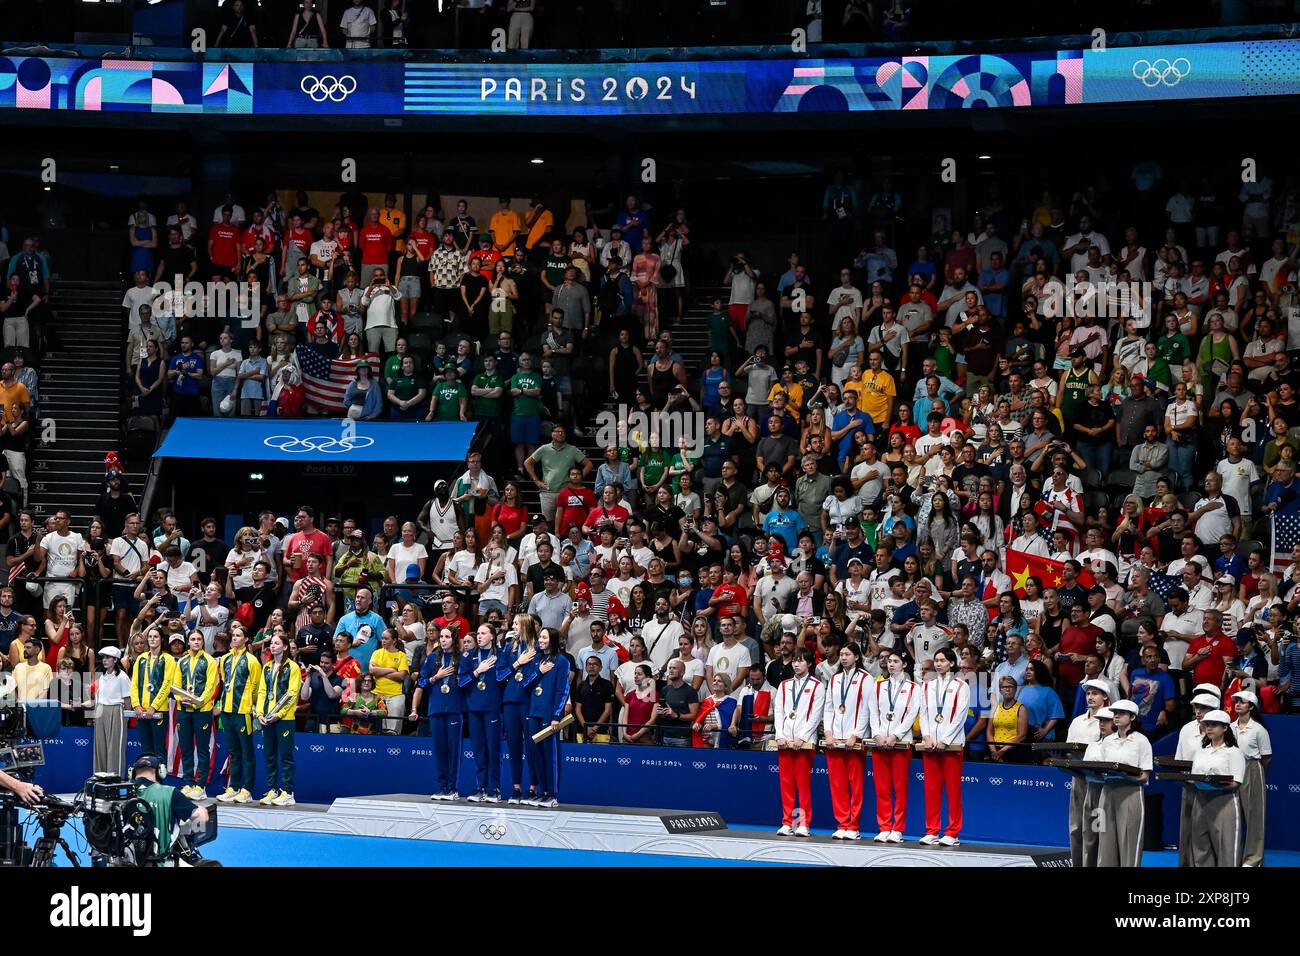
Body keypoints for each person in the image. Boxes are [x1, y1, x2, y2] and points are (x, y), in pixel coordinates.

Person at [918, 646, 969, 846]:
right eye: (936, 660)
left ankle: (952, 832)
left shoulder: (961, 685)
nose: (938, 664)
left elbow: (961, 715)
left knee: (953, 790)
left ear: (952, 663)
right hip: (931, 745)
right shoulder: (927, 686)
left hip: (952, 745)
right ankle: (932, 830)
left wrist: (945, 739)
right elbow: (923, 713)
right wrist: (927, 736)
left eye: (942, 660)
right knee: (931, 790)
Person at [867, 649, 920, 842]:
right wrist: (878, 734)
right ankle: (884, 827)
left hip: (900, 743)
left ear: (904, 665)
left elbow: (912, 714)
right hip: (880, 742)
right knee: (882, 787)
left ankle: (897, 828)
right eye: (889, 661)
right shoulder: (878, 686)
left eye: (895, 661)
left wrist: (895, 735)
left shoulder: (914, 688)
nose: (890, 664)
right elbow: (873, 712)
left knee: (899, 787)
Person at [772, 648, 823, 837]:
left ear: (809, 663)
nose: (796, 664)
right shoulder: (784, 685)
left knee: (802, 784)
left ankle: (803, 823)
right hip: (785, 740)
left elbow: (816, 715)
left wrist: (802, 736)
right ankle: (787, 823)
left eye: (801, 661)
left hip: (805, 742)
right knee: (786, 784)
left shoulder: (817, 686)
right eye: (794, 660)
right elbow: (779, 711)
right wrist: (779, 734)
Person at [1095, 699, 1152, 868]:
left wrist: (1126, 776)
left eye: (1121, 713)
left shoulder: (1141, 741)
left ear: (1132, 717)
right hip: (1107, 792)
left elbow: (1144, 776)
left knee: (1129, 841)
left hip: (1131, 792)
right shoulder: (1107, 741)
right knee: (1105, 841)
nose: (1116, 716)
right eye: (1115, 713)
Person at [822, 642, 871, 840]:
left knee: (856, 784)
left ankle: (854, 826)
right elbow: (828, 707)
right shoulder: (835, 679)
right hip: (835, 739)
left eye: (847, 654)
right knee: (837, 784)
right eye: (841, 654)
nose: (843, 657)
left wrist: (857, 734)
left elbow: (867, 708)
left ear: (857, 657)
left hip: (854, 740)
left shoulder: (866, 679)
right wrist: (828, 732)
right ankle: (842, 823)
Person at [1187, 709, 1247, 867]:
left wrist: (1216, 783)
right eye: (1207, 725)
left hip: (1224, 802)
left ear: (1225, 728)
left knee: (1227, 848)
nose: (1209, 728)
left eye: (1214, 725)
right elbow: (1195, 777)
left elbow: (1236, 782)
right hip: (1201, 801)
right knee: (1200, 846)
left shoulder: (1234, 752)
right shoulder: (1201, 751)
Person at [126, 755, 210, 867]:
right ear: (160, 771)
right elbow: (201, 818)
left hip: (124, 862)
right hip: (160, 862)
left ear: (132, 772)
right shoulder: (169, 792)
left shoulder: (118, 793)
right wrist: (202, 809)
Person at [1065, 678, 1111, 866]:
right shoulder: (1077, 722)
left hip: (1098, 782)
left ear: (1105, 697)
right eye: (1088, 693)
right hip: (1078, 779)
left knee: (1096, 828)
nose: (1090, 697)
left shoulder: (1109, 721)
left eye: (1095, 693)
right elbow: (1068, 749)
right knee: (1076, 827)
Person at [414, 627, 463, 801]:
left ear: (454, 639)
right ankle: (442, 787)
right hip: (435, 709)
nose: (443, 640)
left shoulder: (460, 658)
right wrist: (437, 677)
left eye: (447, 637)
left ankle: (453, 788)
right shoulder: (433, 658)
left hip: (454, 710)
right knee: (440, 750)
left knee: (453, 750)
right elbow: (421, 681)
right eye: (441, 636)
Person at [523, 628, 571, 807]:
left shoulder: (561, 661)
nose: (540, 640)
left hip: (549, 715)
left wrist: (556, 716)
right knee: (536, 755)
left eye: (544, 637)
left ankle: (552, 794)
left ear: (553, 640)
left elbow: (563, 691)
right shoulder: (536, 659)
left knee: (549, 755)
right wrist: (539, 672)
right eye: (540, 637)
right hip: (533, 713)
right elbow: (525, 685)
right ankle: (542, 791)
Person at [215, 624, 262, 805]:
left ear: (246, 639)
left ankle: (247, 790)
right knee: (233, 752)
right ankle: (234, 787)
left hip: (243, 712)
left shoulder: (252, 661)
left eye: (238, 636)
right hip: (227, 711)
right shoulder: (225, 659)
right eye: (233, 635)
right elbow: (225, 684)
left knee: (247, 752)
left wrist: (252, 706)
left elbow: (257, 688)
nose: (234, 638)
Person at [254, 631, 301, 807]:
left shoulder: (293, 667)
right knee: (269, 755)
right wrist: (260, 713)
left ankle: (288, 792)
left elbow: (292, 693)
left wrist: (279, 714)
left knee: (286, 756)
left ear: (285, 647)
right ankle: (273, 789)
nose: (272, 646)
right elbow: (262, 692)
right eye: (271, 643)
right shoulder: (266, 667)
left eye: (276, 643)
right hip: (267, 718)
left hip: (284, 718)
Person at [458, 624, 503, 802]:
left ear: (492, 636)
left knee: (493, 750)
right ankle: (481, 787)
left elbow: (505, 677)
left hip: (493, 708)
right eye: (478, 633)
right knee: (478, 751)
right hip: (474, 709)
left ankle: (495, 789)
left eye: (483, 633)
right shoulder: (468, 656)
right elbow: (461, 682)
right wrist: (478, 671)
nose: (479, 636)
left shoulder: (500, 655)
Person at [496, 622, 538, 802]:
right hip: (510, 700)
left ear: (526, 626)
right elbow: (500, 675)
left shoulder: (537, 647)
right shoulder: (508, 647)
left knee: (532, 745)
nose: (513, 626)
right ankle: (516, 788)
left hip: (529, 700)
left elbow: (540, 673)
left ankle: (534, 786)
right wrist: (517, 663)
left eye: (516, 623)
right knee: (513, 745)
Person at [173, 630, 218, 800]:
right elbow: (176, 685)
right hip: (183, 709)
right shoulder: (182, 661)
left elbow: (211, 686)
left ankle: (201, 786)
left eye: (199, 639)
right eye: (193, 639)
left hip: (202, 710)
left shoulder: (210, 661)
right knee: (185, 747)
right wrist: (180, 698)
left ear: (202, 642)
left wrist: (198, 701)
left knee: (202, 749)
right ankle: (188, 783)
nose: (196, 642)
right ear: (188, 642)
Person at [1230, 690, 1271, 867]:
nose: (1237, 704)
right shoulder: (1229, 727)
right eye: (1236, 701)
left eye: (1242, 702)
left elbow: (1266, 757)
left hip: (1252, 769)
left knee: (1254, 816)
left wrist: (1254, 771)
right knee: (1232, 816)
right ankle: (1232, 856)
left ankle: (1253, 860)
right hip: (1231, 770)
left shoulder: (1259, 730)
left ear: (1251, 706)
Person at [130, 627, 176, 760]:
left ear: (161, 639)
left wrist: (153, 706)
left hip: (158, 711)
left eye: (155, 636)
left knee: (159, 749)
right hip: (142, 712)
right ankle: (147, 778)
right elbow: (134, 684)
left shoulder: (168, 659)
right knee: (145, 749)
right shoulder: (141, 659)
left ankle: (160, 780)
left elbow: (167, 685)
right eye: (150, 637)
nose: (152, 639)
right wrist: (136, 705)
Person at [91, 644, 132, 777]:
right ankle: (100, 777)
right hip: (101, 711)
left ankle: (115, 778)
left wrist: (124, 718)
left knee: (114, 748)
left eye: (108, 657)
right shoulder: (102, 677)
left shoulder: (122, 677)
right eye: (103, 657)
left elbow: (127, 700)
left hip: (116, 711)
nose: (104, 660)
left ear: (115, 660)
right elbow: (99, 697)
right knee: (100, 748)